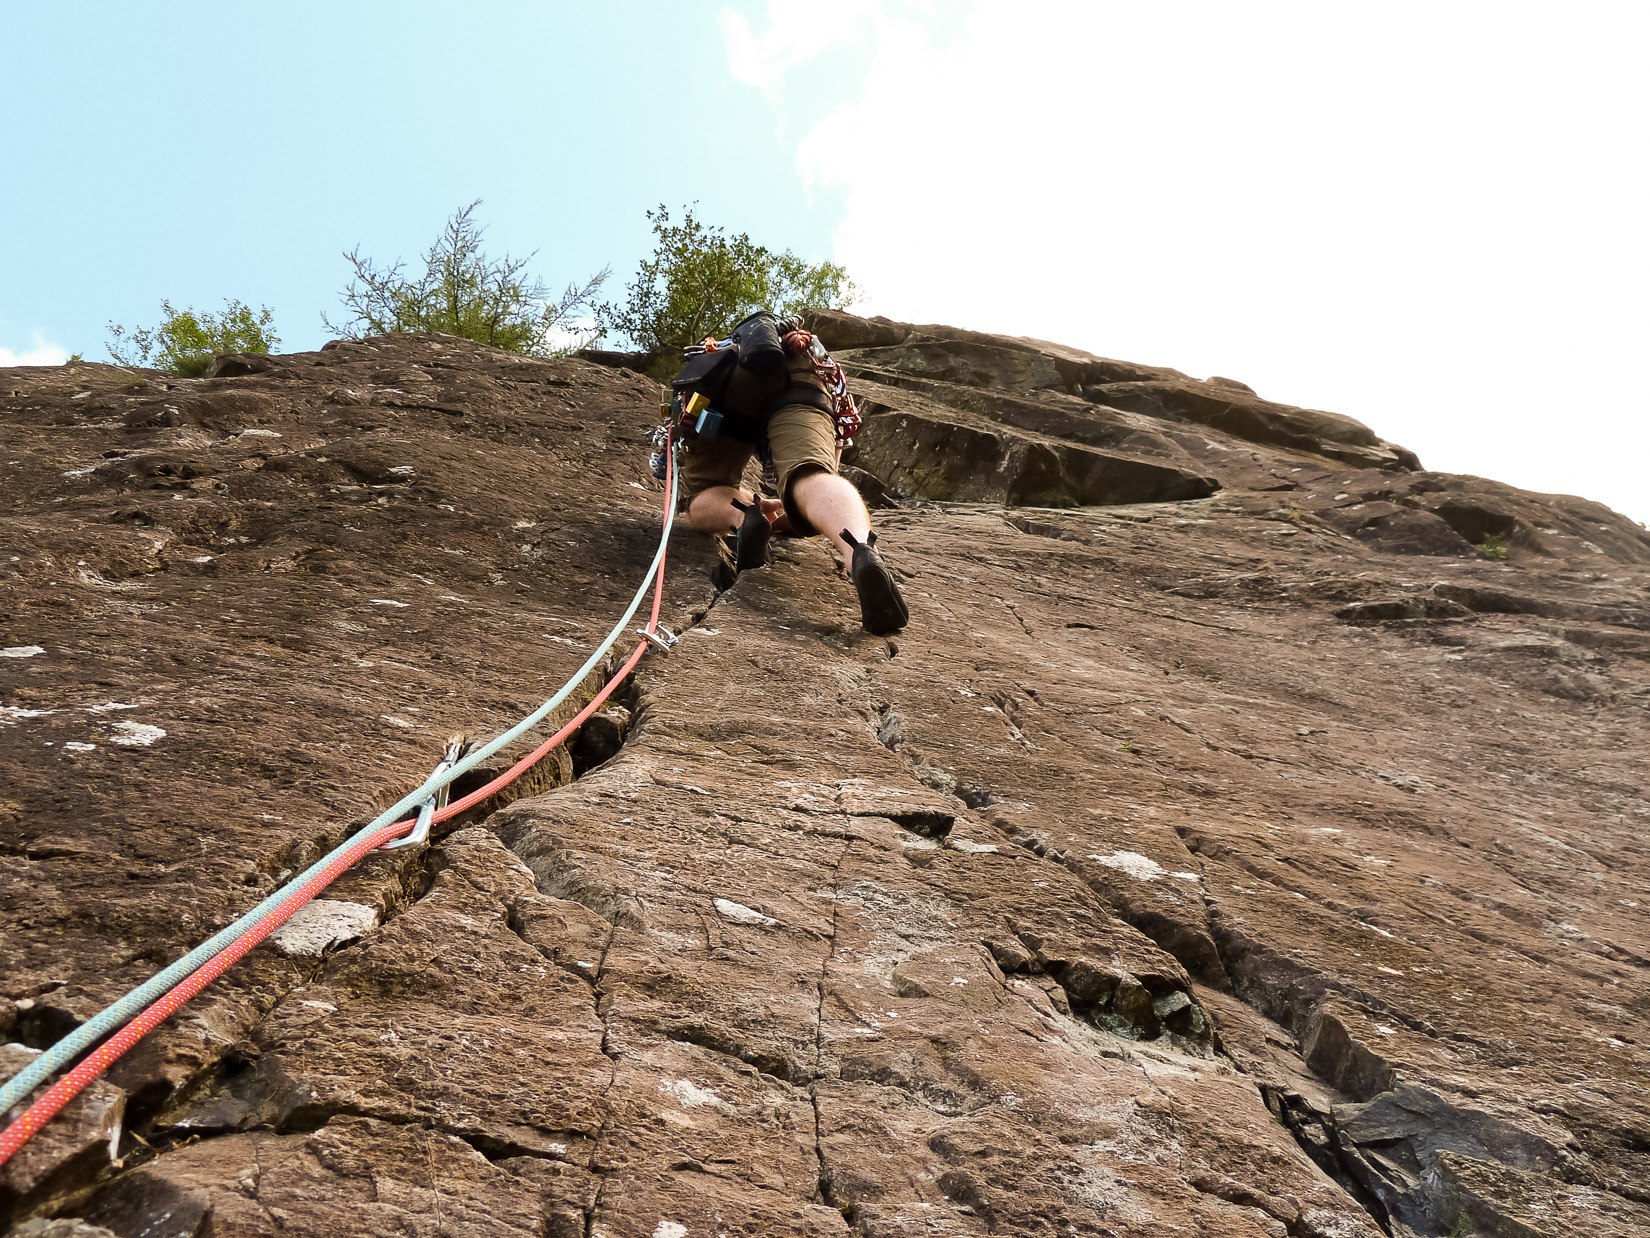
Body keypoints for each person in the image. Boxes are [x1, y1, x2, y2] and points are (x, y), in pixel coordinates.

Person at [675, 314, 908, 635]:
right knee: (811, 475)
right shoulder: (801, 349)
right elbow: (829, 466)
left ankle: (745, 516)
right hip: (800, 371)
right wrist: (799, 507)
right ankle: (861, 552)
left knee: (704, 490)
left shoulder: (737, 349)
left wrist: (762, 508)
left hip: (728, 375)